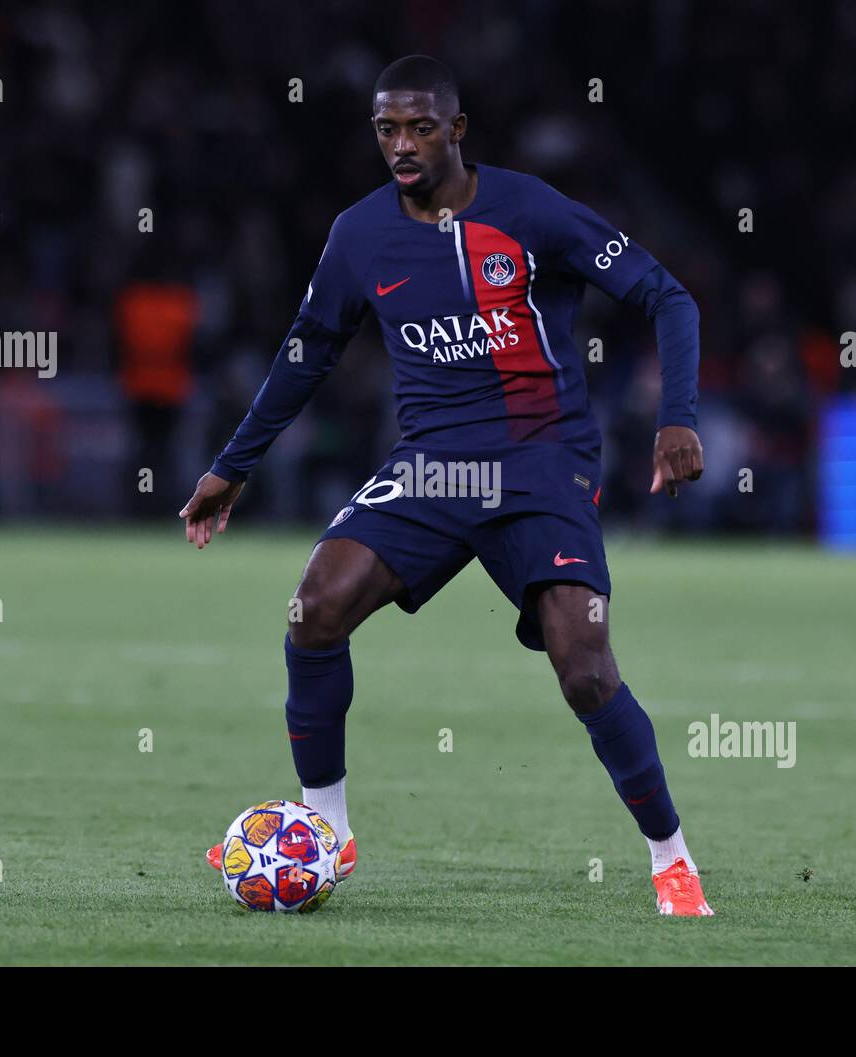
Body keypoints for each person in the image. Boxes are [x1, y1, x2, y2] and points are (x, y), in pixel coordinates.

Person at [183, 56, 711, 915]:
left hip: (542, 460)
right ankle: (328, 831)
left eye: (420, 127)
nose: (402, 144)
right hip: (431, 463)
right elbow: (307, 352)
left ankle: (671, 858)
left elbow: (667, 296)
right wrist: (231, 466)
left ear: (457, 131)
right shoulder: (358, 235)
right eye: (387, 129)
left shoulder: (531, 209)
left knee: (583, 667)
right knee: (314, 610)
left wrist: (677, 417)